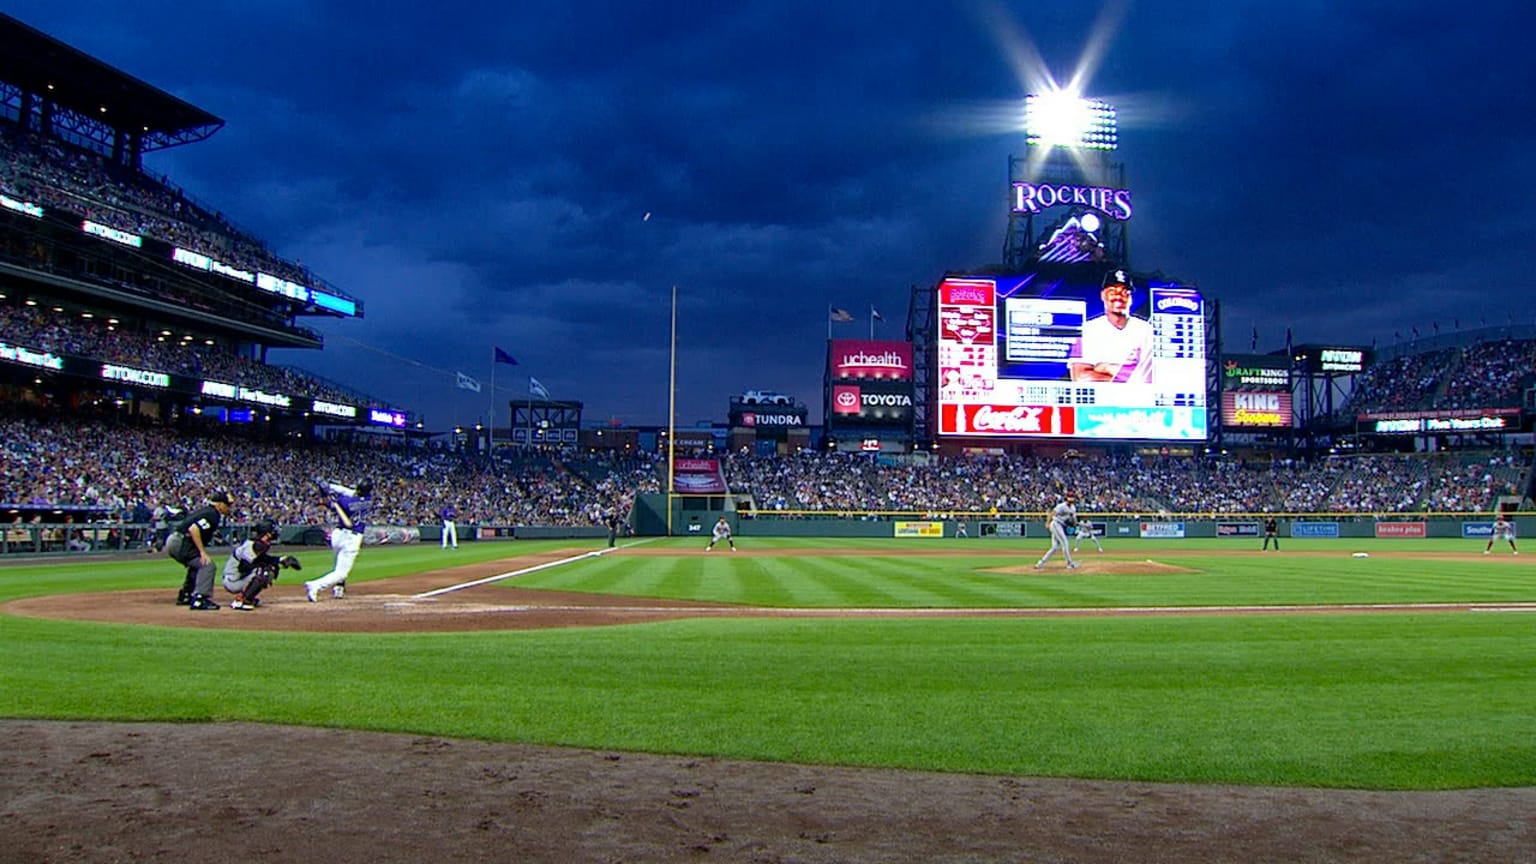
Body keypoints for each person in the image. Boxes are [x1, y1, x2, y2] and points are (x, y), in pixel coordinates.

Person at [1067, 269, 1156, 384]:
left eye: (1124, 292)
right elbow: (1080, 377)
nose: (1118, 296)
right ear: (1103, 295)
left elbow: (1150, 378)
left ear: (1131, 298)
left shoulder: (1146, 330)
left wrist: (1105, 368)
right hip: (1099, 400)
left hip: (1136, 400)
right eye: (1112, 291)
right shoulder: (1086, 331)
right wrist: (1127, 378)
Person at [304, 479, 373, 602]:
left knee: (339, 565)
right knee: (341, 573)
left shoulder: (344, 501)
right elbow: (347, 492)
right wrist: (330, 488)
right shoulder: (368, 499)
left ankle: (339, 588)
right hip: (352, 538)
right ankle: (315, 585)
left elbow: (328, 501)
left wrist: (324, 490)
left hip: (338, 535)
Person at [165, 491, 233, 611]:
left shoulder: (208, 511)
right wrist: (202, 552)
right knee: (207, 565)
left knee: (196, 565)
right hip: (180, 542)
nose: (229, 508)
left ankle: (186, 594)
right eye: (227, 505)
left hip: (177, 539)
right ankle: (200, 599)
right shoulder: (212, 514)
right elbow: (194, 529)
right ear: (219, 505)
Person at [221, 520, 301, 610]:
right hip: (233, 580)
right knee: (264, 571)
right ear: (267, 533)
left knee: (268, 569)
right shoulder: (251, 545)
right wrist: (264, 565)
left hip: (238, 578)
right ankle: (242, 599)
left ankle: (248, 596)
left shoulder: (259, 543)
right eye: (272, 530)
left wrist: (281, 560)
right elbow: (243, 567)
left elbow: (262, 559)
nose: (274, 532)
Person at [1035, 493, 1079, 570]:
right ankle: (1069, 563)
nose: (1071, 499)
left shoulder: (1073, 508)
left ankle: (1040, 563)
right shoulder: (1061, 506)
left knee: (1054, 548)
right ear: (1066, 498)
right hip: (1056, 524)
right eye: (1069, 497)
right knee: (1065, 542)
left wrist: (1074, 522)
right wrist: (1047, 523)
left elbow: (1074, 521)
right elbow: (1052, 513)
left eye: (1072, 498)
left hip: (1061, 526)